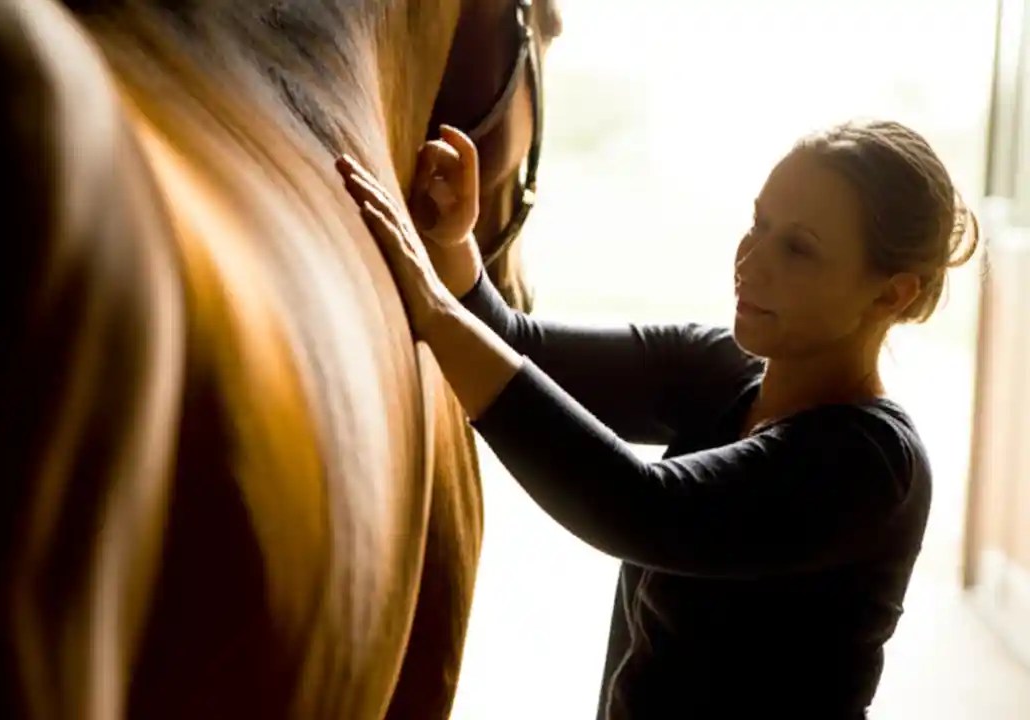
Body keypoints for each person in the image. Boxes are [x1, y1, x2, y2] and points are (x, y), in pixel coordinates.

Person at [334, 119, 980, 719]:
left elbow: (643, 510)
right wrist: (454, 243)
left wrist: (435, 311)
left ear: (893, 292)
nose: (751, 262)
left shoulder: (870, 465)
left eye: (799, 249)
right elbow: (516, 345)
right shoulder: (720, 370)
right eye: (758, 224)